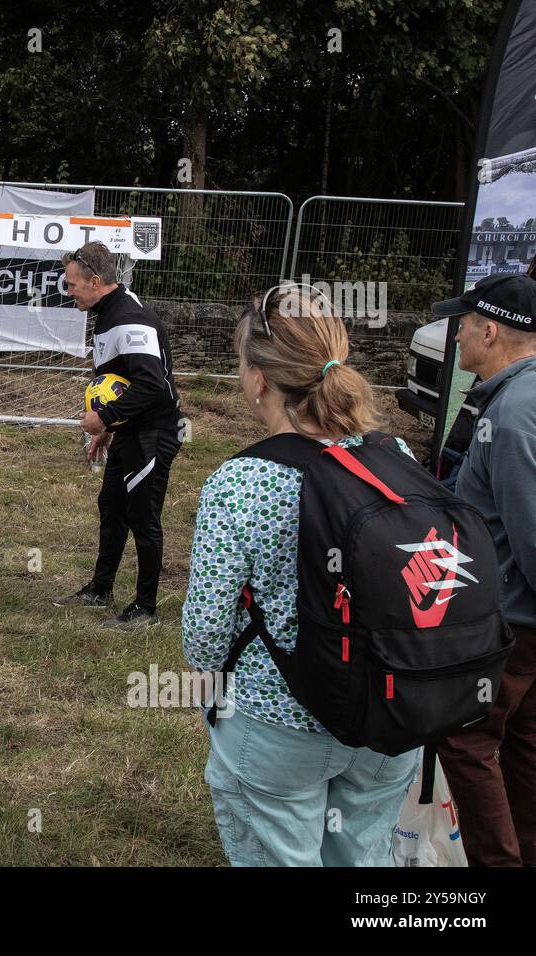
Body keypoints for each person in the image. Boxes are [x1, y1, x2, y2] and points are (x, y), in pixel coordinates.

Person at [183, 283, 420, 866]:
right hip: (390, 710)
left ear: (259, 378)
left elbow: (206, 630)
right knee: (364, 857)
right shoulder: (399, 459)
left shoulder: (240, 482)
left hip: (278, 719)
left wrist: (210, 684)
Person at [431, 273, 536, 866]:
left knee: (465, 739)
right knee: (524, 747)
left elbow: (530, 531)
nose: (457, 338)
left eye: (464, 325)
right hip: (520, 619)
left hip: (511, 621)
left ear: (489, 329)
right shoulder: (518, 396)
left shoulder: (516, 411)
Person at [53, 242, 182, 628]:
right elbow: (121, 381)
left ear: (95, 281)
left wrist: (104, 416)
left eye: (72, 284)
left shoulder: (128, 319)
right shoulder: (108, 310)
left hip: (154, 431)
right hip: (130, 428)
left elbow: (153, 386)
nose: (69, 290)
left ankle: (146, 609)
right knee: (111, 506)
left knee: (143, 517)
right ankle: (100, 589)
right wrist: (108, 429)